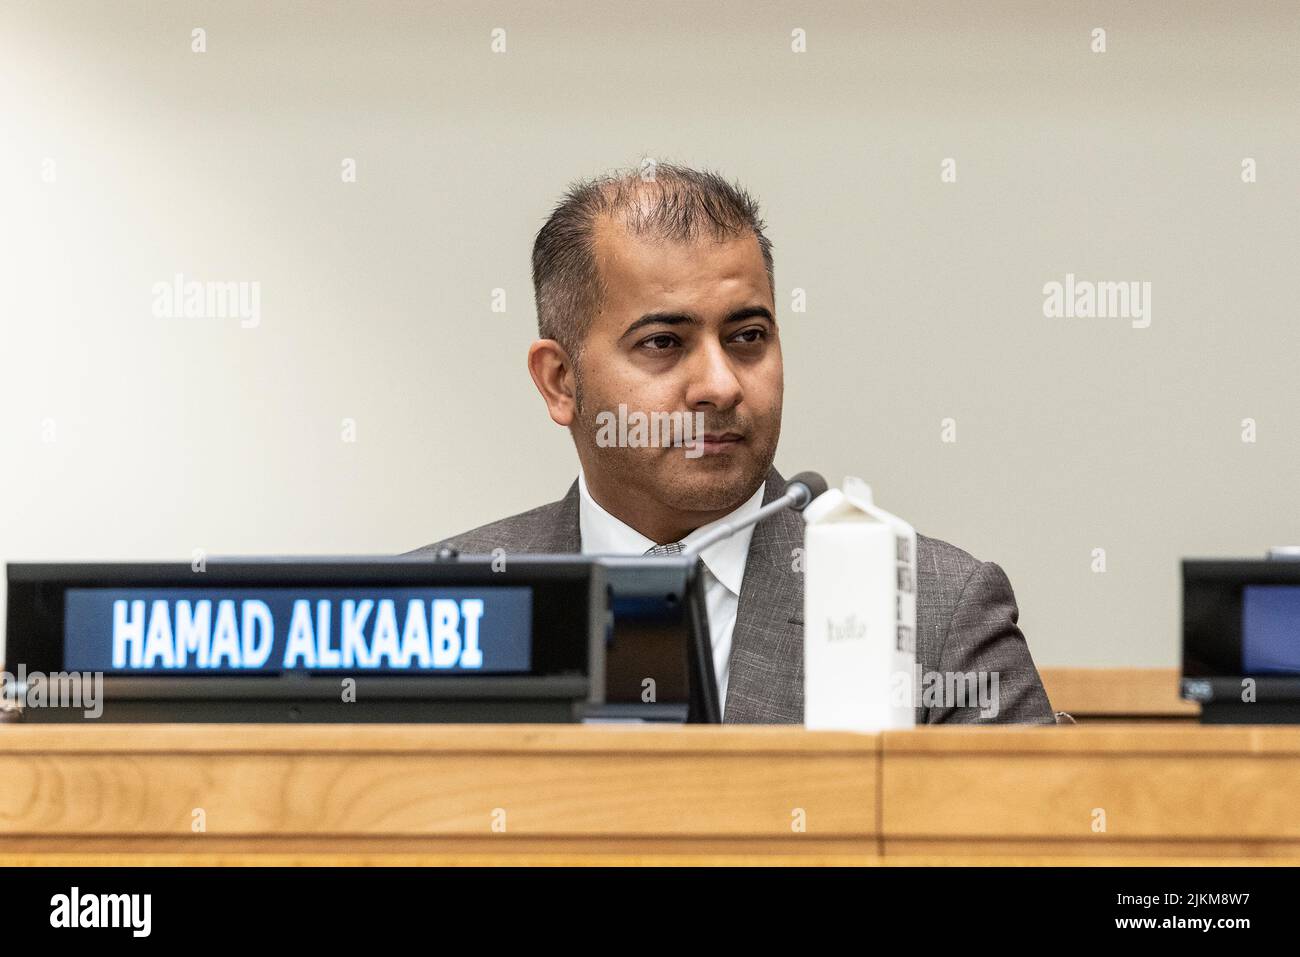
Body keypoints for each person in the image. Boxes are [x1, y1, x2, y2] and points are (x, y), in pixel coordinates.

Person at [410, 163, 1054, 725]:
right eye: (663, 343)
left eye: (747, 337)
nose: (720, 386)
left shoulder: (935, 615)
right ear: (560, 381)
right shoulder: (440, 613)